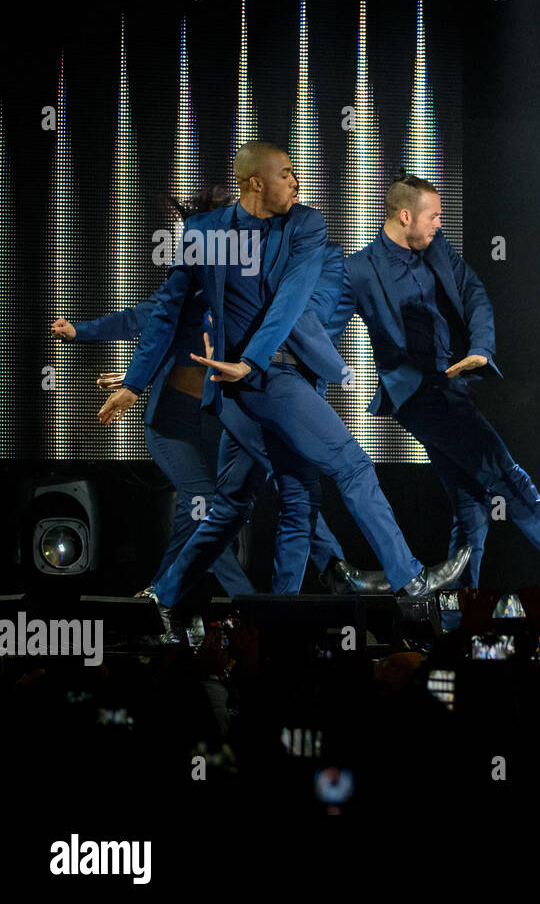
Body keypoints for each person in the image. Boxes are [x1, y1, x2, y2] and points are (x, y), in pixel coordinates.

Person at [97, 142, 467, 622]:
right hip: (245, 389)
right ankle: (410, 581)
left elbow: (288, 302)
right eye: (287, 174)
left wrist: (250, 362)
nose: (296, 182)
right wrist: (133, 382)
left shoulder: (305, 226)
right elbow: (168, 310)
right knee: (352, 466)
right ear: (255, 182)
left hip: (272, 376)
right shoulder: (203, 233)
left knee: (249, 501)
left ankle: (178, 601)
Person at [320, 173, 540, 603]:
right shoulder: (358, 269)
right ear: (405, 215)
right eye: (432, 216)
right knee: (509, 478)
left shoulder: (435, 245)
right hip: (420, 397)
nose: (438, 223)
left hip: (453, 390)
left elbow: (474, 292)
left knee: (472, 503)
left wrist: (482, 349)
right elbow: (322, 332)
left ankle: (452, 618)